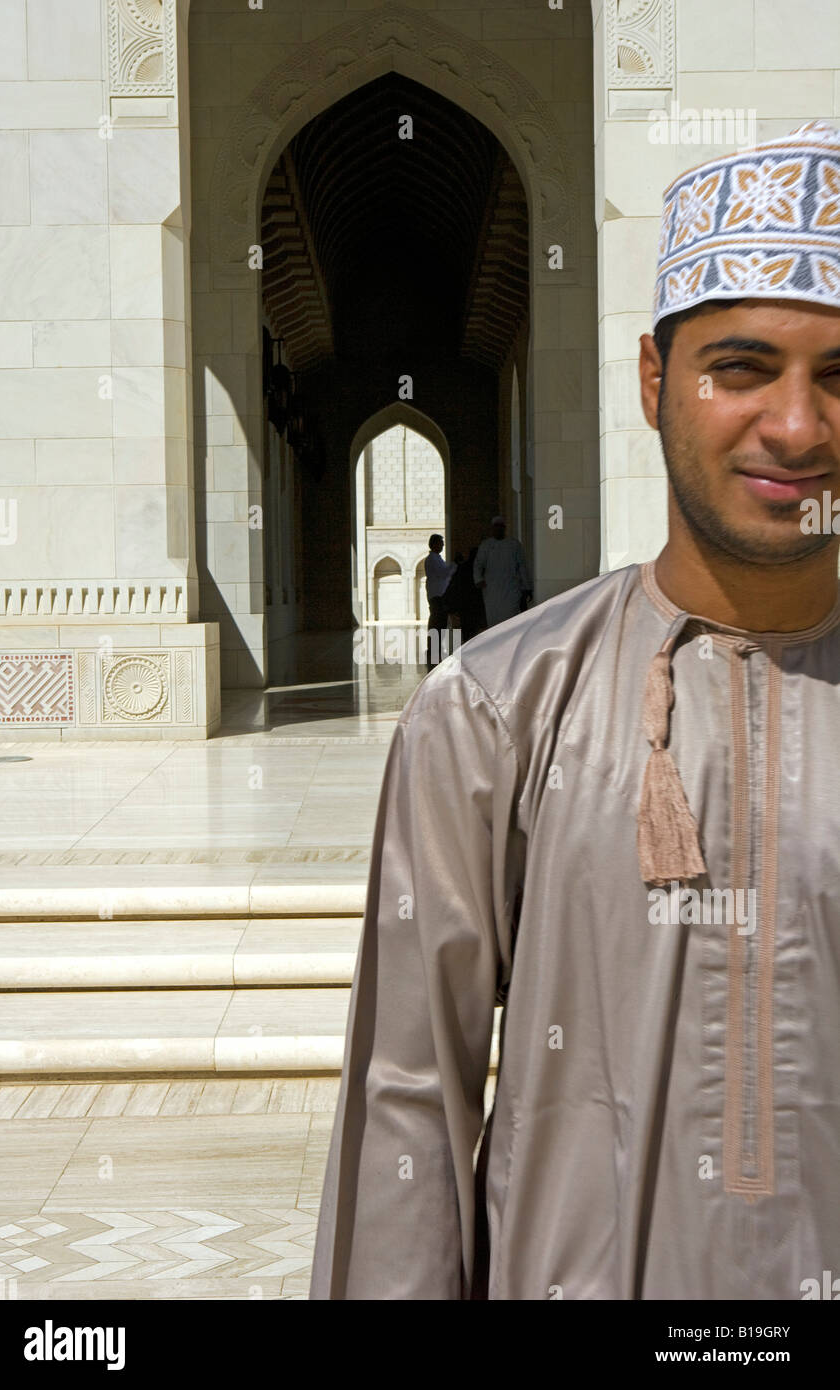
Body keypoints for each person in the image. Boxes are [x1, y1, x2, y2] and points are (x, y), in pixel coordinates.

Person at [310, 120, 840, 1300]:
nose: (796, 427)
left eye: (838, 378)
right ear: (654, 382)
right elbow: (406, 1108)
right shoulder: (495, 712)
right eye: (741, 367)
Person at [473, 515, 532, 626]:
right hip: (492, 589)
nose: (498, 529)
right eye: (496, 527)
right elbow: (478, 564)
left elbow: (522, 567)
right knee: (493, 619)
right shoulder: (486, 545)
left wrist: (526, 587)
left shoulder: (514, 545)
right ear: (492, 529)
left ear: (504, 528)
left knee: (510, 620)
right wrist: (479, 579)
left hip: (511, 588)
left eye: (501, 527)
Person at [423, 533, 455, 670]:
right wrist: (455, 565)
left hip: (439, 596)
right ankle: (433, 650)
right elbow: (443, 573)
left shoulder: (436, 559)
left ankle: (435, 649)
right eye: (440, 543)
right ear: (434, 544)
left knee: (440, 623)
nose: (442, 545)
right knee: (437, 622)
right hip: (437, 596)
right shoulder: (432, 559)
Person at [442, 544, 486, 644]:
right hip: (477, 606)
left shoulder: (463, 568)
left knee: (467, 634)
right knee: (477, 634)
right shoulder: (481, 570)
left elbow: (454, 587)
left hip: (465, 607)